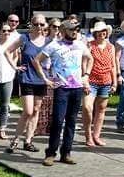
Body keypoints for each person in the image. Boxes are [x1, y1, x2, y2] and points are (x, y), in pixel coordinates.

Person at [36, 19, 91, 166]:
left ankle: (66, 153)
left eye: (77, 30)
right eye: (71, 29)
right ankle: (50, 153)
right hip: (61, 88)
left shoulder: (80, 44)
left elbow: (90, 58)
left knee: (71, 121)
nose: (74, 32)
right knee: (58, 121)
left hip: (77, 87)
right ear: (63, 30)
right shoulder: (54, 45)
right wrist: (46, 79)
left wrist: (86, 75)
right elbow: (37, 61)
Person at [5, 14, 51, 153]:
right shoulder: (24, 38)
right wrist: (15, 66)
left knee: (36, 110)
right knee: (28, 111)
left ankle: (28, 140)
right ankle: (15, 139)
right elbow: (7, 51)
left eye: (42, 24)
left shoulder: (48, 41)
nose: (39, 27)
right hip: (27, 78)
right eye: (36, 24)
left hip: (41, 79)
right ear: (31, 24)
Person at [86, 21, 117, 146]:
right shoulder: (90, 45)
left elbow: (113, 66)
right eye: (99, 32)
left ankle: (96, 135)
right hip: (91, 80)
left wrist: (114, 82)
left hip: (106, 81)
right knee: (87, 107)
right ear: (95, 33)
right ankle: (88, 135)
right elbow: (85, 62)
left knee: (101, 109)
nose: (101, 34)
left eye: (103, 31)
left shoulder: (111, 47)